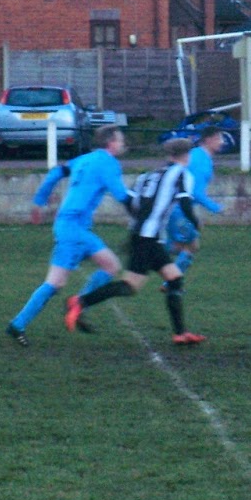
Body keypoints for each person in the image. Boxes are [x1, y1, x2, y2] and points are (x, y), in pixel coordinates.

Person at [64, 137, 205, 345]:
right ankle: (79, 302)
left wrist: (138, 227)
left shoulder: (149, 175)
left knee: (174, 278)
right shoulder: (183, 174)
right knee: (130, 286)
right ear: (188, 155)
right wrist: (196, 223)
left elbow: (132, 202)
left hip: (147, 236)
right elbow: (184, 202)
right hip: (147, 238)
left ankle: (180, 333)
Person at [6, 125, 133, 346]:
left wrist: (39, 200)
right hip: (74, 229)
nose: (123, 144)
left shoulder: (84, 159)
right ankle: (20, 323)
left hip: (72, 226)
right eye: (120, 140)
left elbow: (57, 172)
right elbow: (122, 195)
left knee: (110, 266)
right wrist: (144, 213)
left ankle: (77, 304)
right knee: (55, 283)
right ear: (111, 143)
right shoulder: (109, 163)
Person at [167, 126, 225, 273]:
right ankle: (171, 282)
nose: (222, 142)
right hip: (178, 208)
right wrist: (215, 207)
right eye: (219, 138)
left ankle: (169, 277)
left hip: (173, 207)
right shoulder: (201, 159)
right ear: (209, 140)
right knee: (191, 246)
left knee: (183, 246)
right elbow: (195, 192)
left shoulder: (199, 156)